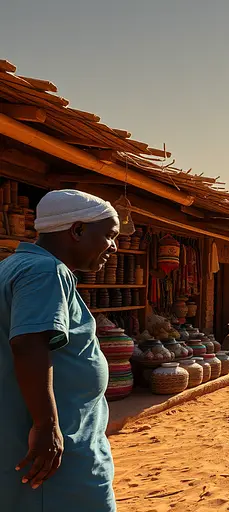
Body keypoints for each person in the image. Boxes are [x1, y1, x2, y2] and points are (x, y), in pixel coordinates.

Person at [0, 190, 120, 511]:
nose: (113, 246)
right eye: (109, 235)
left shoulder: (17, 266)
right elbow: (28, 344)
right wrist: (46, 426)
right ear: (77, 230)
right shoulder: (46, 272)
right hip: (56, 464)